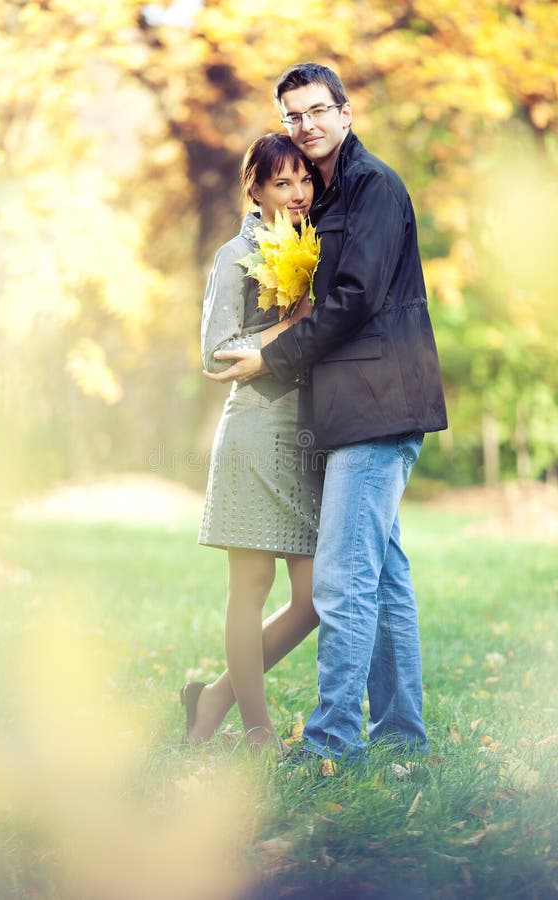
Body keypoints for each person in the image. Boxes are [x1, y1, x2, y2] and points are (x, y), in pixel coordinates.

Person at [205, 63, 448, 763]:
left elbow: (353, 303)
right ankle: (401, 736)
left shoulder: (372, 188)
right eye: (293, 116)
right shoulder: (326, 194)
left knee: (341, 579)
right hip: (354, 409)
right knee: (384, 579)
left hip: (377, 405)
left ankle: (332, 742)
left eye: (316, 111)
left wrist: (270, 357)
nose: (305, 125)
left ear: (345, 112)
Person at [181, 133, 324, 753]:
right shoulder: (232, 256)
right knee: (251, 586)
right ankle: (259, 733)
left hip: (313, 433)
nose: (297, 194)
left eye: (304, 181)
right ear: (256, 188)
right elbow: (216, 350)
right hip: (254, 429)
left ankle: (212, 697)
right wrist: (288, 328)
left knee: (315, 597)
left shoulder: (318, 247)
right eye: (282, 183)